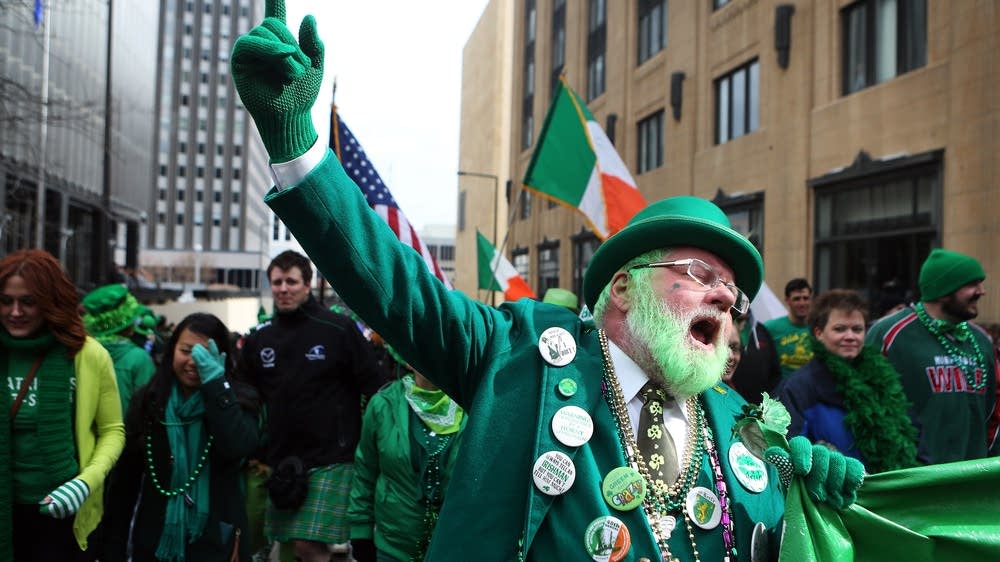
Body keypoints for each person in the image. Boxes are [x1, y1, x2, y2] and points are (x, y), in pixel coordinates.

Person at [229, 9, 865, 559]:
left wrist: (810, 499)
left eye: (734, 291)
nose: (726, 299)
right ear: (624, 289)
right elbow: (395, 287)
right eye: (701, 275)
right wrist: (295, 142)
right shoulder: (519, 355)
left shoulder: (741, 427)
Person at [240, 250, 384, 562]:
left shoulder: (339, 329)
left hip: (331, 457)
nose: (283, 289)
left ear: (308, 284)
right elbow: (245, 394)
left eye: (291, 281)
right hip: (280, 460)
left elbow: (375, 386)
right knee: (288, 544)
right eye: (277, 282)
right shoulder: (258, 340)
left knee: (309, 546)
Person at [102, 313, 261, 562]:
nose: (194, 361)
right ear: (171, 350)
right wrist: (114, 547)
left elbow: (238, 446)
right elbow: (125, 481)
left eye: (205, 353)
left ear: (222, 356)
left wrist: (216, 387)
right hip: (155, 540)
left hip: (217, 541)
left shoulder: (239, 399)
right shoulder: (150, 401)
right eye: (186, 351)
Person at [0, 249, 125, 561]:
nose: (15, 312)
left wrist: (86, 483)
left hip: (63, 514)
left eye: (28, 301)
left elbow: (113, 431)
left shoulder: (90, 355)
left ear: (50, 302)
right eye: (6, 301)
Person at [866, 249, 1000, 462]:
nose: (981, 291)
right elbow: (866, 406)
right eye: (972, 284)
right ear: (945, 289)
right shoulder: (890, 333)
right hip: (915, 477)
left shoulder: (981, 340)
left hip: (974, 477)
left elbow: (994, 412)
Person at [776, 289, 920, 472]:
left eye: (857, 329)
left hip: (889, 492)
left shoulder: (883, 378)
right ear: (818, 333)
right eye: (840, 329)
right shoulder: (798, 386)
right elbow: (790, 452)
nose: (850, 336)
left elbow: (914, 435)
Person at [349, 370, 467, 562]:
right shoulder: (383, 405)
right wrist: (361, 533)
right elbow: (364, 474)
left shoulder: (474, 403)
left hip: (457, 547)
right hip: (394, 548)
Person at [81, 284, 157, 415]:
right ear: (129, 324)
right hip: (126, 434)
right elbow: (150, 407)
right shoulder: (139, 359)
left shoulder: (79, 354)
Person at [728, 312, 782, 405]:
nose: (730, 356)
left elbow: (775, 372)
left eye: (735, 348)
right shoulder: (722, 326)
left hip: (758, 406)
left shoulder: (761, 331)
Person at [764, 278, 814, 377]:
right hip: (782, 388)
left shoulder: (820, 328)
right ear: (787, 300)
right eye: (797, 299)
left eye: (805, 298)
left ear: (811, 300)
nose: (802, 303)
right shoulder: (770, 328)